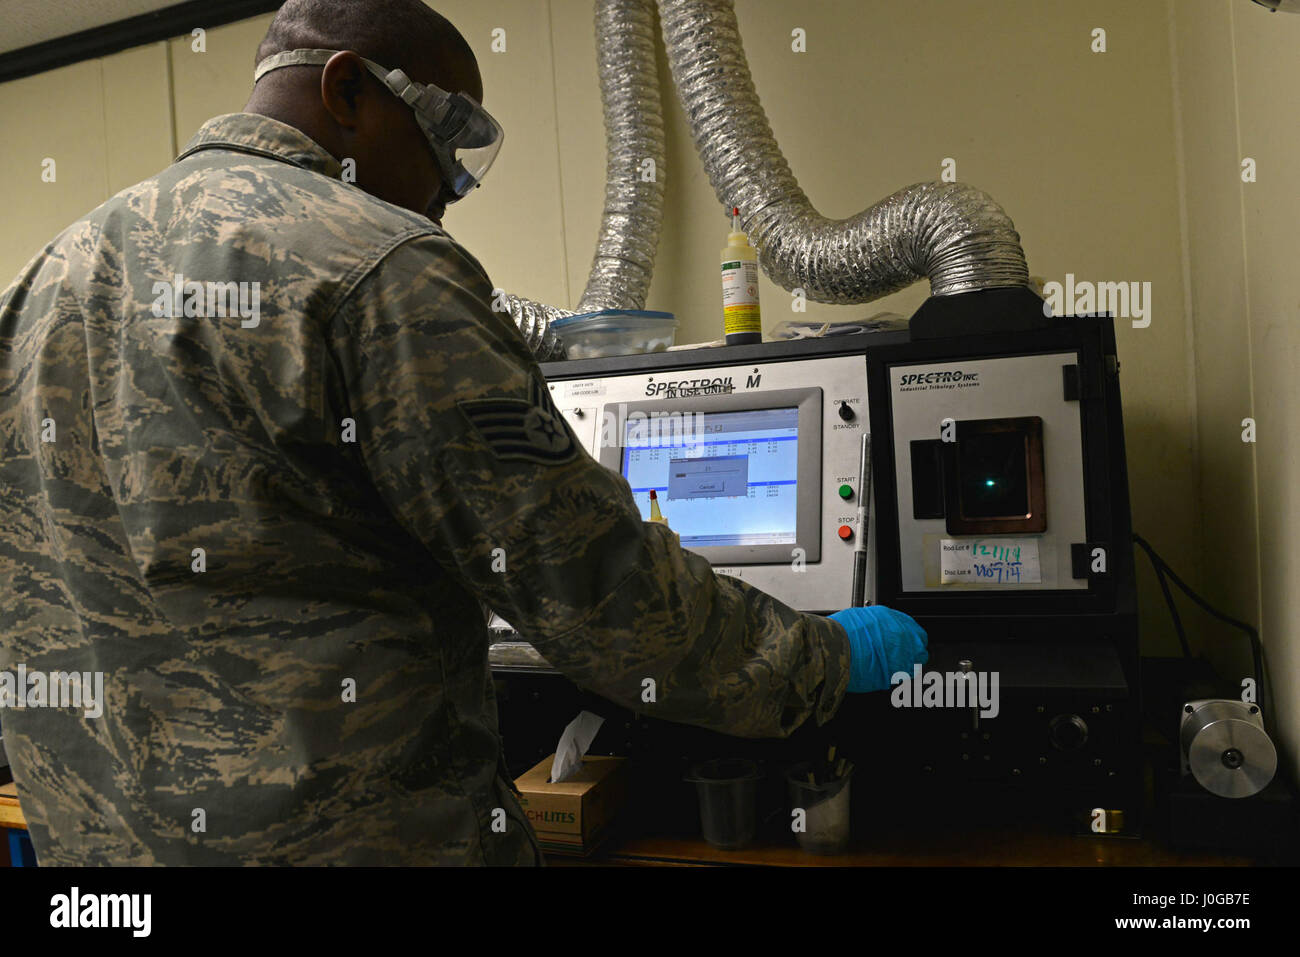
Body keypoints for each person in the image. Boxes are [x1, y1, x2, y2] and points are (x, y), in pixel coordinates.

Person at [0, 0, 926, 865]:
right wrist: (824, 659)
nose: (449, 189)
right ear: (348, 90)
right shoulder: (380, 267)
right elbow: (597, 589)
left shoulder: (39, 286)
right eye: (446, 140)